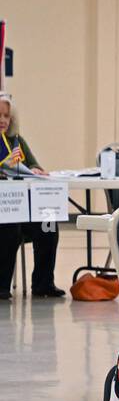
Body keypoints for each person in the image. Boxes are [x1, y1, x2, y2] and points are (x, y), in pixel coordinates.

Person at [0, 93, 63, 299]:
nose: (2, 120)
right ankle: (1, 287)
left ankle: (43, 284)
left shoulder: (16, 140)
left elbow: (34, 164)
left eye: (6, 116)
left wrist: (35, 169)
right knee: (10, 229)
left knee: (48, 224)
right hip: (4, 211)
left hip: (20, 206)